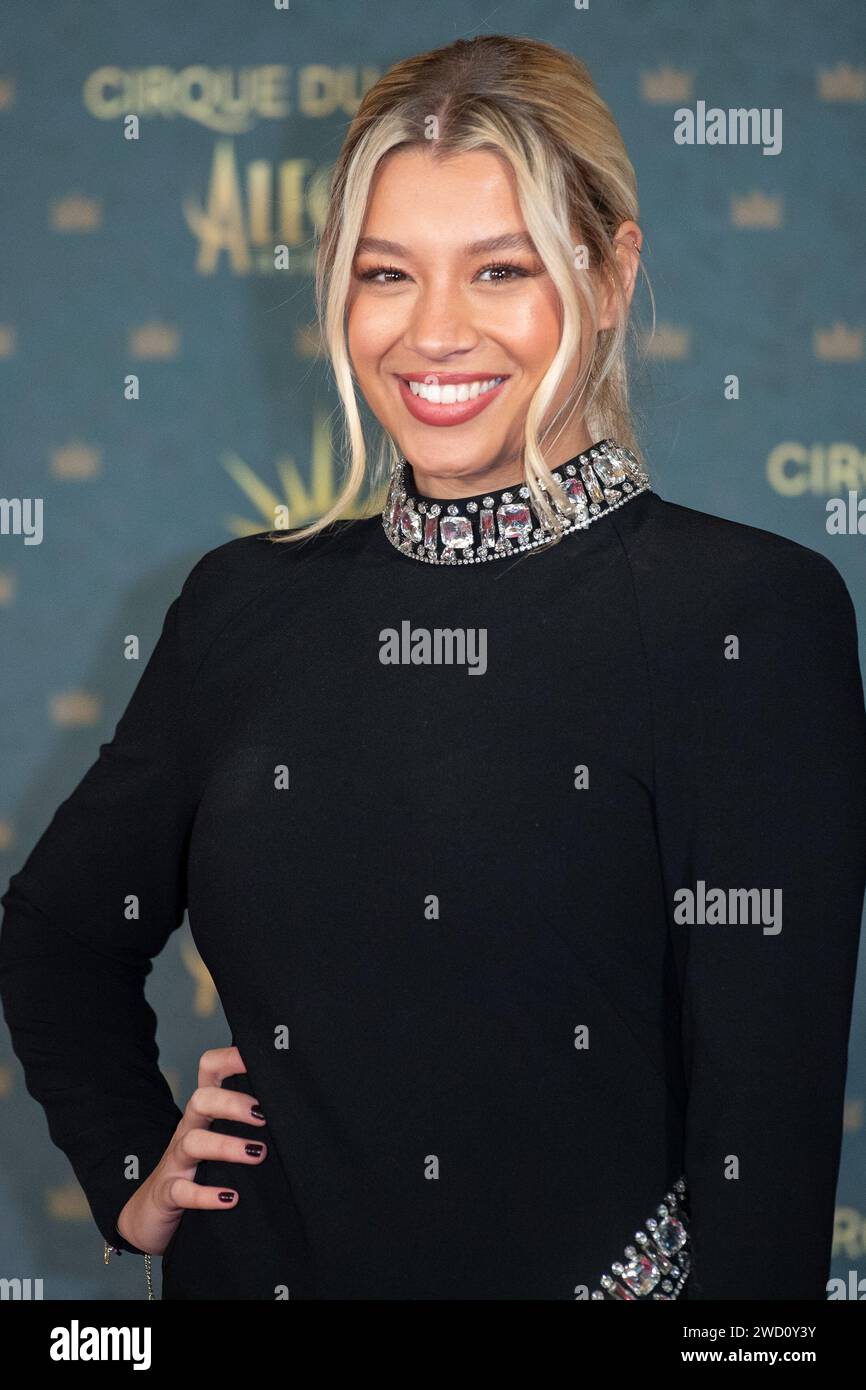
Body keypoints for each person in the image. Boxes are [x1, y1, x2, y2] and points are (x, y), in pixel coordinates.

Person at [1, 33, 865, 1302]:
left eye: (500, 269)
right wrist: (133, 1169)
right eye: (385, 272)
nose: (434, 332)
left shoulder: (746, 615)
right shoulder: (243, 605)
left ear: (611, 274)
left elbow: (766, 1153)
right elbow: (55, 934)